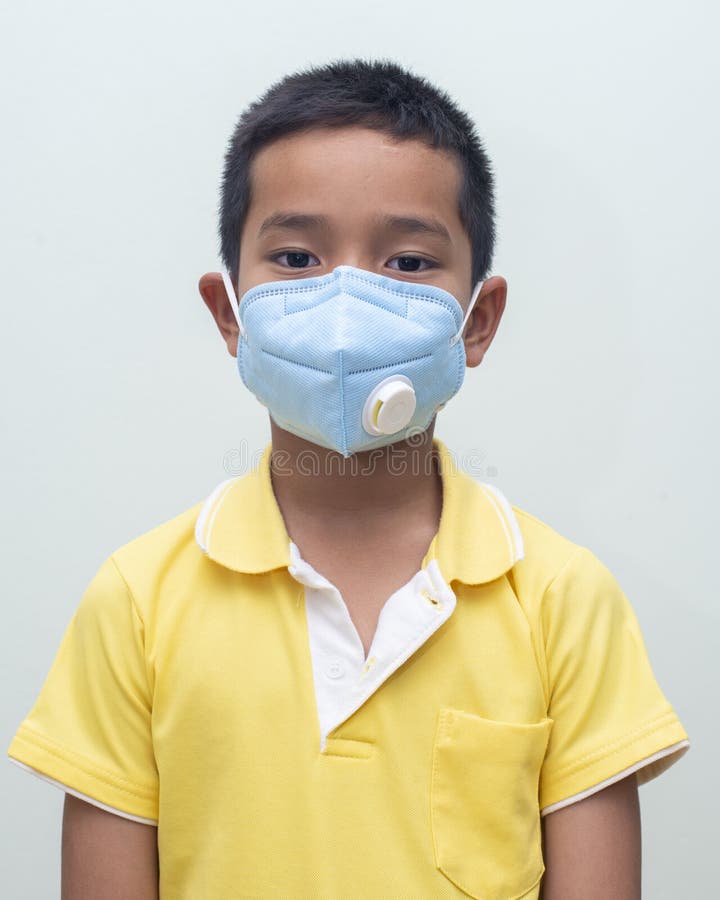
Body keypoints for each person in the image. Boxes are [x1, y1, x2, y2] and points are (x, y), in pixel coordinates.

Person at [7, 59, 689, 900]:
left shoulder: (563, 600)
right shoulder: (137, 602)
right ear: (231, 316)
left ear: (477, 323)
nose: (342, 309)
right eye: (296, 256)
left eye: (406, 263)